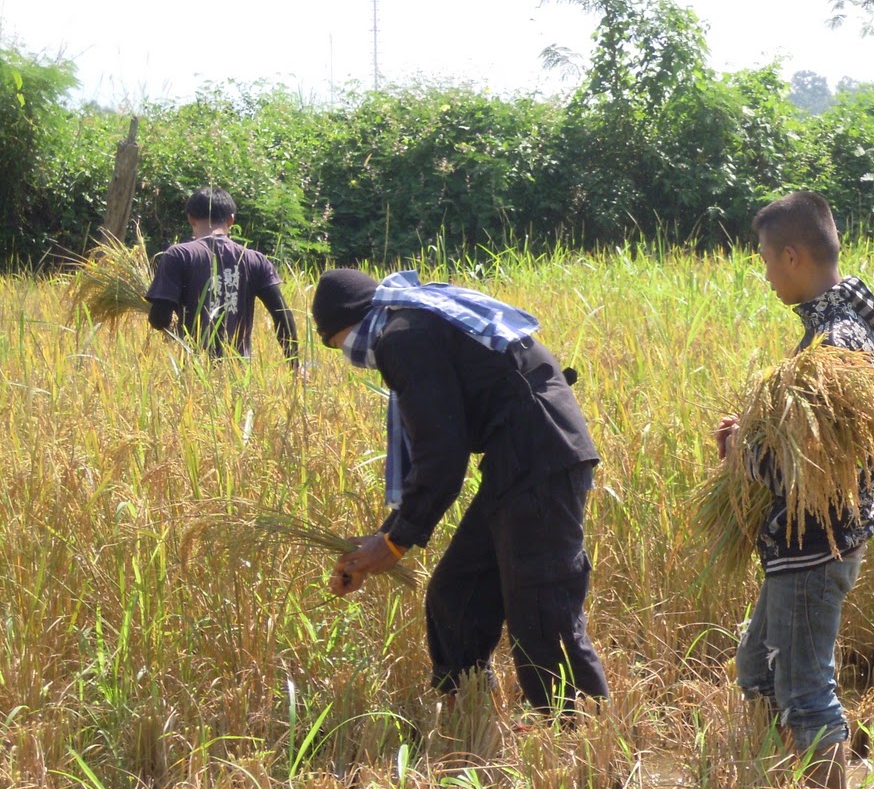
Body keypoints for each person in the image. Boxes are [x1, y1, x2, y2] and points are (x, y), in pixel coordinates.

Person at [311, 268, 608, 713]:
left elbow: (442, 456)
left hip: (541, 456)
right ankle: (469, 709)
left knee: (543, 612)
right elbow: (441, 444)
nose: (353, 356)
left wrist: (395, 540)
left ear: (351, 324)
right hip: (519, 458)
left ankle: (582, 739)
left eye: (342, 345)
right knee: (458, 591)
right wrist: (389, 532)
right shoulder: (412, 321)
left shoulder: (402, 336)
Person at [717, 190, 874, 789]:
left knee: (804, 687)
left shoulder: (836, 344)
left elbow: (815, 468)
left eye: (766, 259)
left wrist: (745, 452)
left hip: (816, 542)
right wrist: (750, 439)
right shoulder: (846, 329)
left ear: (792, 256)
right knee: (756, 668)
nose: (765, 274)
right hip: (810, 540)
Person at [146, 187, 301, 365]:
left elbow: (160, 318)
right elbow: (282, 315)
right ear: (231, 220)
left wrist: (169, 326)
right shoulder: (255, 260)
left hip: (191, 371)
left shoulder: (179, 255)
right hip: (238, 372)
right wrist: (294, 364)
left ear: (191, 218)